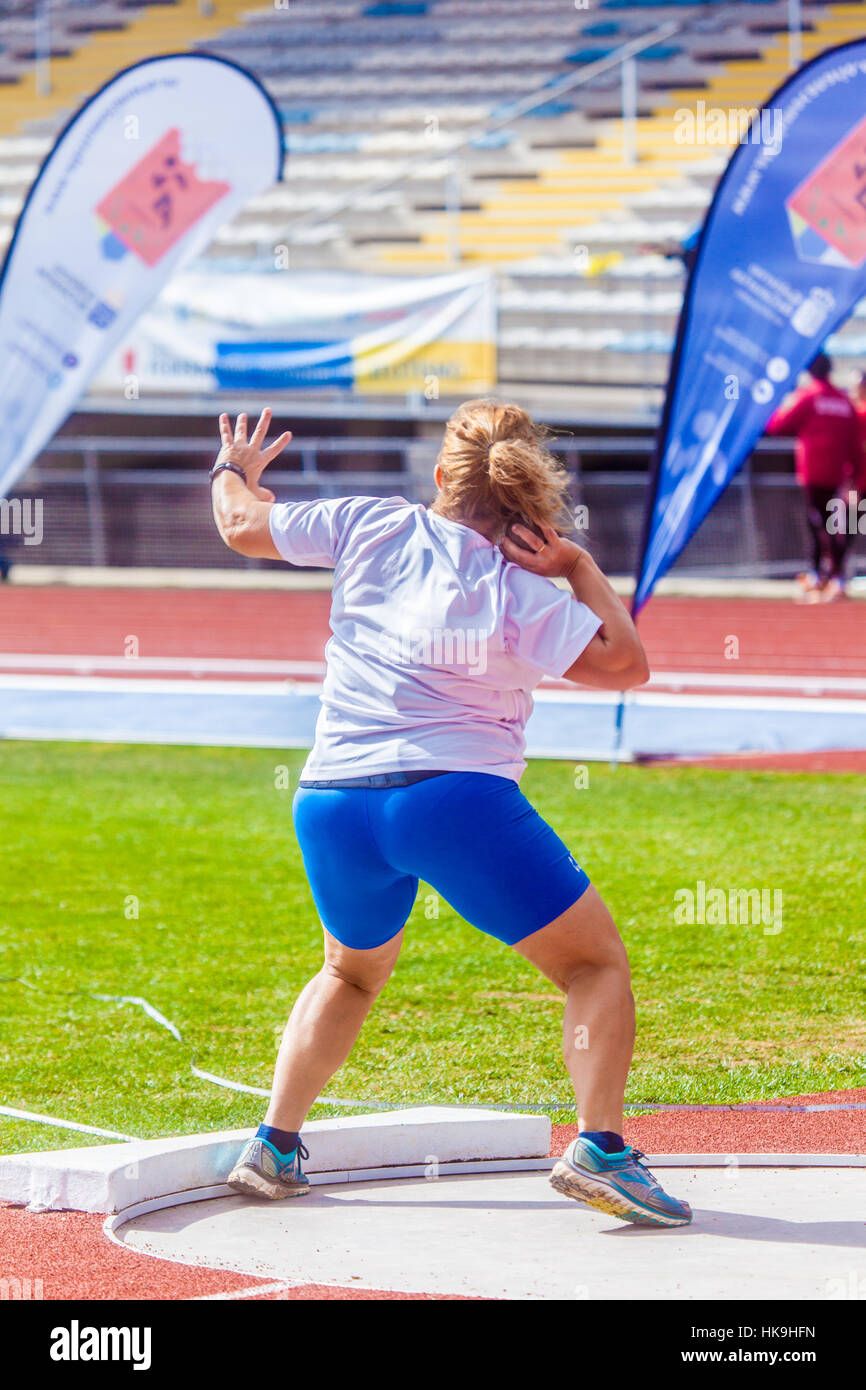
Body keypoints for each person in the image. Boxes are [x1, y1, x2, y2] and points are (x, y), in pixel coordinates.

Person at [209, 401, 692, 1229]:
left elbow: (242, 526)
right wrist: (575, 566)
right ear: (530, 503)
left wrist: (232, 469)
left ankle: (274, 1143)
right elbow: (627, 666)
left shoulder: (368, 523)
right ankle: (603, 1151)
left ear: (441, 478)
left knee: (348, 972)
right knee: (594, 967)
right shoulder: (520, 587)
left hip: (331, 801)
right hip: (453, 798)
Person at [765, 351, 860, 601]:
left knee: (820, 525)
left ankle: (824, 576)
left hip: (815, 473)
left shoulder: (808, 397)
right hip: (839, 474)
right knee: (833, 526)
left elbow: (778, 425)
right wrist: (855, 473)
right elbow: (854, 442)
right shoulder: (843, 401)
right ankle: (829, 578)